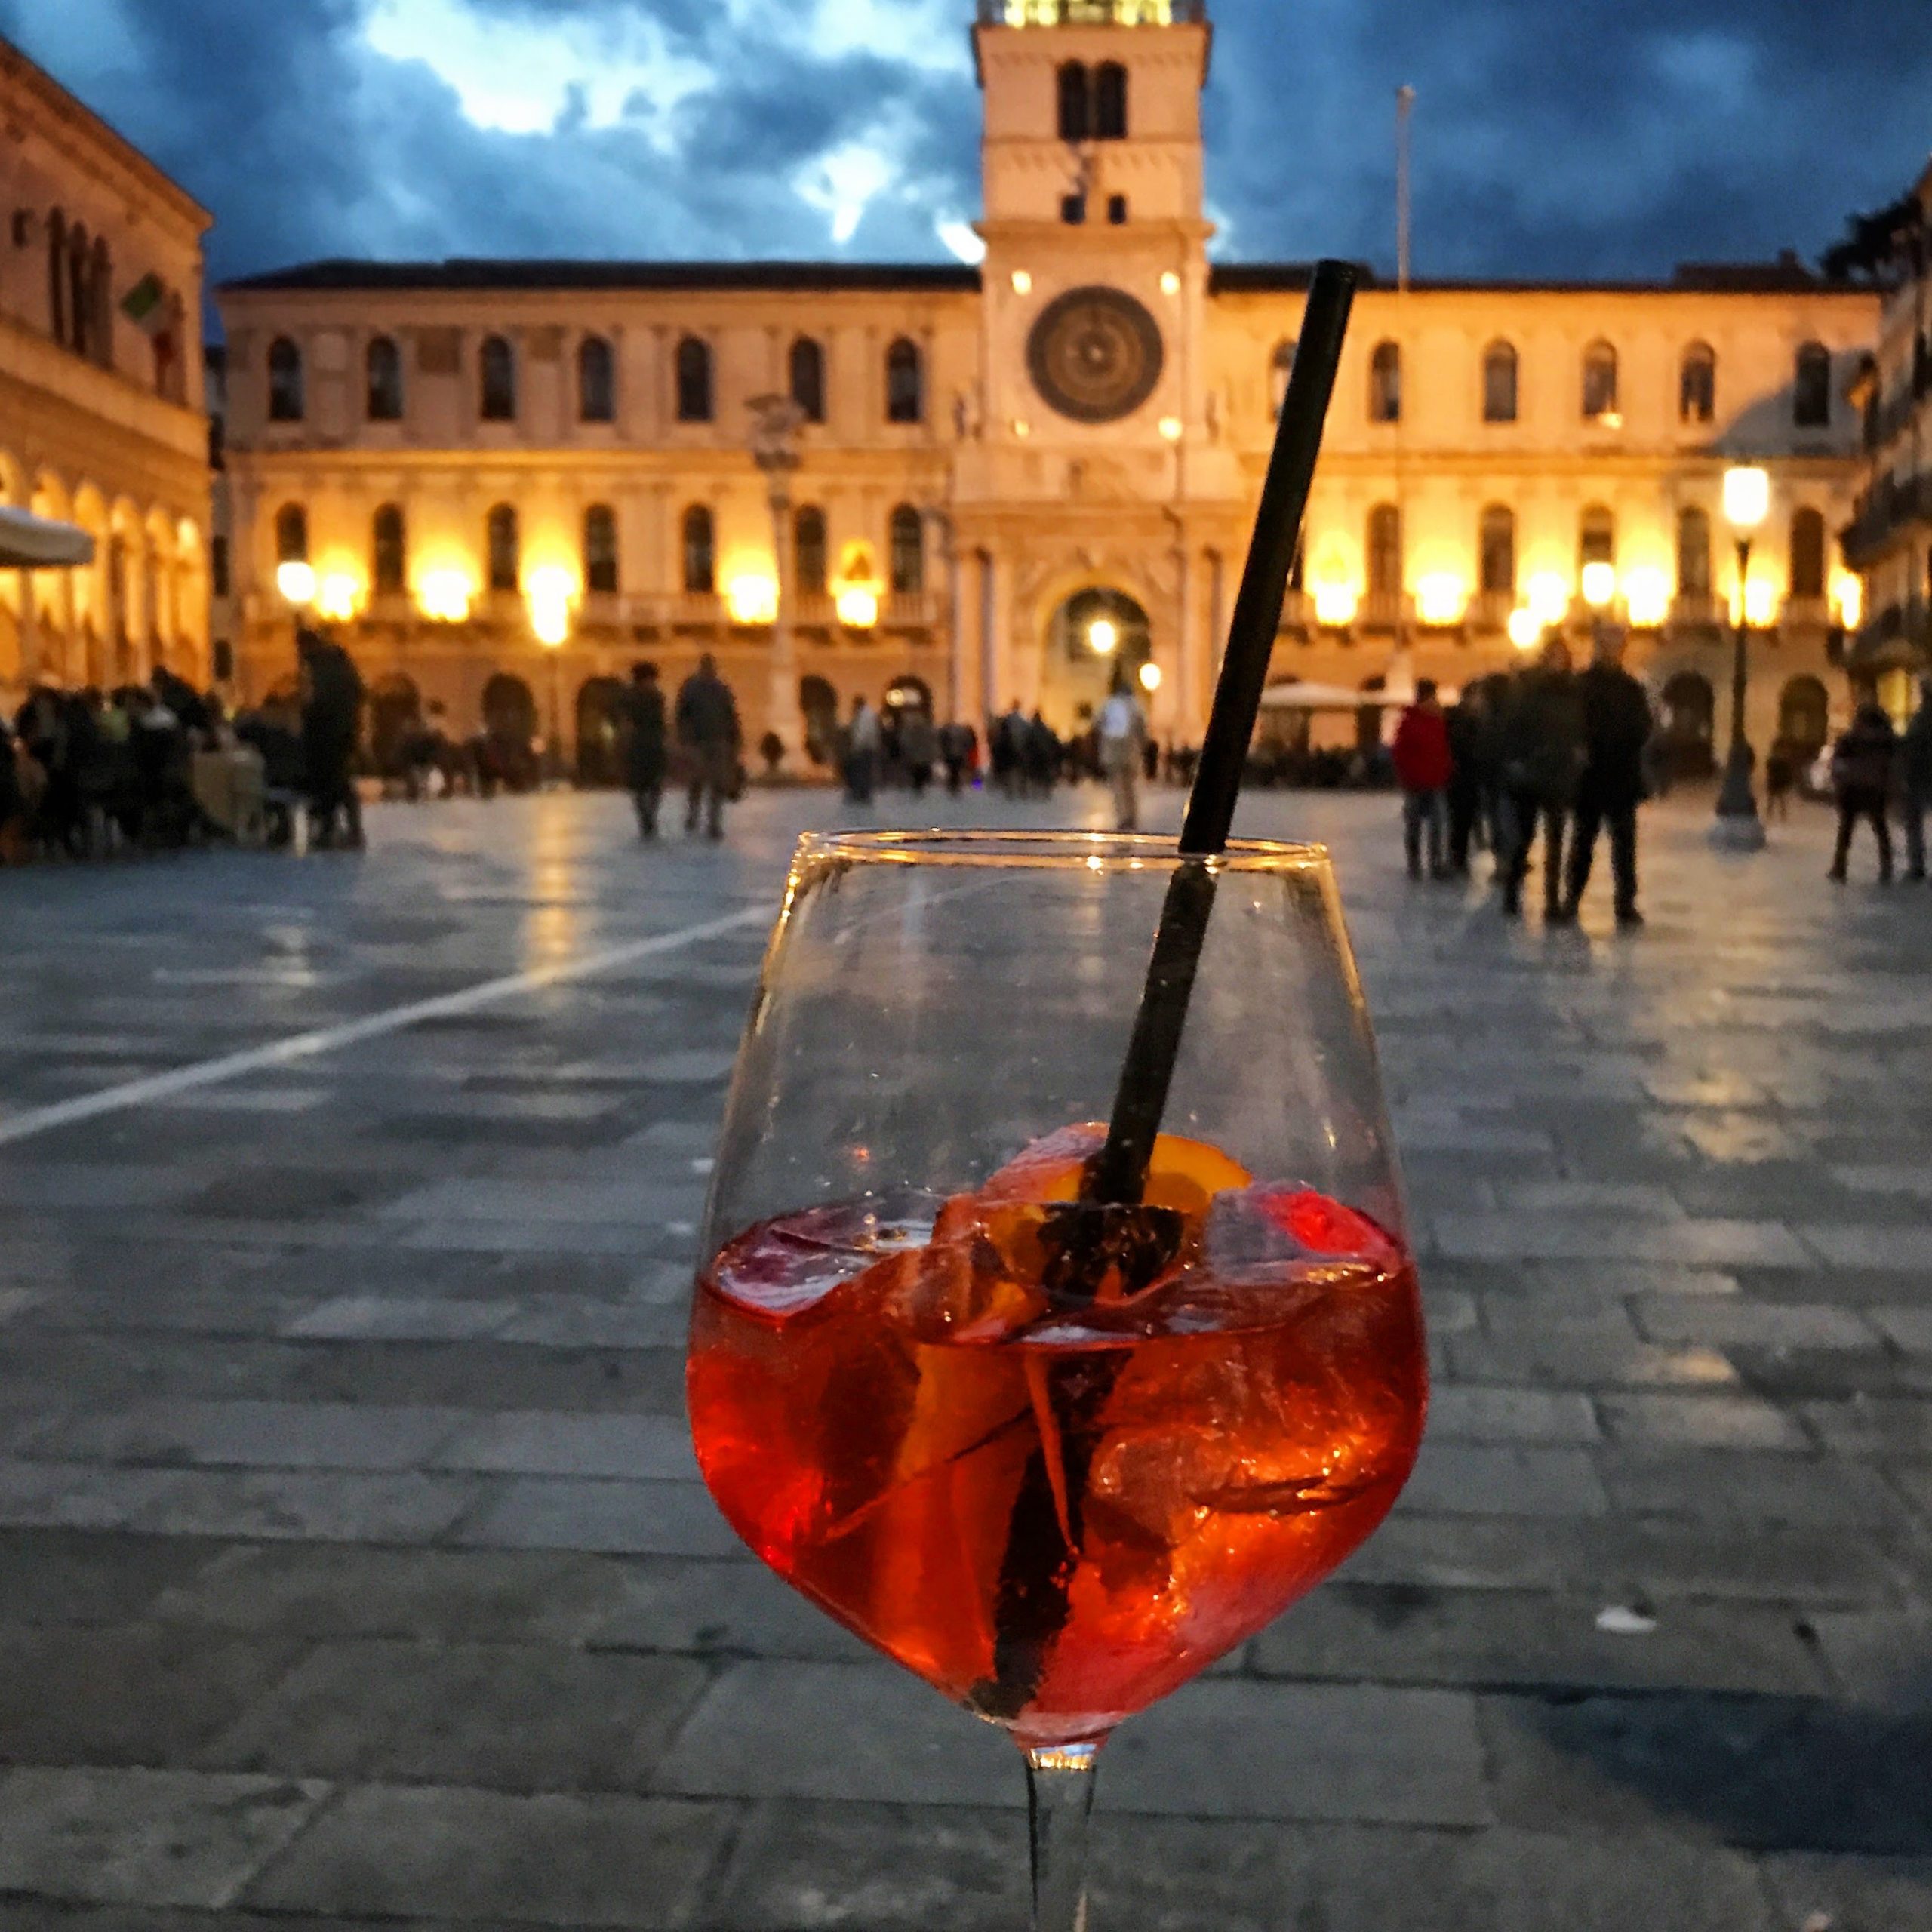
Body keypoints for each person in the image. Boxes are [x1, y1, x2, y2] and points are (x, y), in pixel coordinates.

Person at [1558, 623, 1654, 929]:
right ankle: (1572, 899)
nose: (1613, 649)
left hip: (1622, 776)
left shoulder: (1631, 688)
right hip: (1591, 776)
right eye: (1608, 644)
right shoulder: (1581, 685)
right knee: (1583, 842)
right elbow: (1571, 726)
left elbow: (1643, 728)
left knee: (1624, 848)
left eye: (1617, 644)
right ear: (1597, 646)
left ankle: (1625, 904)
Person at [1497, 636, 1583, 921]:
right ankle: (1512, 891)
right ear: (1545, 659)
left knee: (1557, 841)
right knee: (1524, 838)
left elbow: (1581, 728)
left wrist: (1579, 753)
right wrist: (1519, 760)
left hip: (1560, 774)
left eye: (1563, 657)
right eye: (1554, 656)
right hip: (1532, 774)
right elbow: (1513, 728)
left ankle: (1552, 901)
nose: (1559, 662)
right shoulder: (1529, 691)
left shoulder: (1574, 693)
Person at [298, 626, 366, 850]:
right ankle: (350, 830)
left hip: (328, 733)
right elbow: (359, 693)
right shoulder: (339, 664)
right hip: (343, 731)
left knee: (330, 782)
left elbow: (319, 702)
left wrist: (309, 717)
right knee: (340, 782)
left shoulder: (321, 666)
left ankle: (331, 830)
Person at [1829, 694, 1898, 884]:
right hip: (1876, 789)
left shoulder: (1851, 738)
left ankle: (1840, 868)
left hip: (1852, 789)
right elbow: (1894, 765)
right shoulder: (1887, 739)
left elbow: (1838, 763)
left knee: (1846, 831)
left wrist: (1839, 782)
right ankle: (1886, 869)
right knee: (1881, 829)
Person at [1391, 679, 1454, 881]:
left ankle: (1436, 863)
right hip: (1415, 782)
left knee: (1437, 825)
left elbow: (1444, 749)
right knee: (1414, 825)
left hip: (1436, 781)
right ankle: (1415, 863)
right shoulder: (1409, 721)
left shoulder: (1439, 720)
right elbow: (1400, 751)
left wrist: (1446, 770)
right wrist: (1408, 775)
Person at [675, 652, 740, 840]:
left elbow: (731, 715)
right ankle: (694, 815)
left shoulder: (720, 689)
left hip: (717, 741)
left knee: (717, 784)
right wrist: (683, 737)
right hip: (699, 741)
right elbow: (682, 714)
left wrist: (734, 740)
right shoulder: (693, 688)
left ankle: (713, 822)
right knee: (698, 781)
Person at [1443, 685, 1488, 876]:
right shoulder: (1461, 719)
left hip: (1469, 777)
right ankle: (1457, 860)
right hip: (1460, 777)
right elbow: (1463, 746)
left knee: (1465, 822)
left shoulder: (1469, 718)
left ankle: (1459, 859)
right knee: (1460, 822)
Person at [1097, 672, 1150, 832]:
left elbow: (1098, 723)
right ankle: (1132, 816)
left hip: (1112, 751)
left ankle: (1123, 817)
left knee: (1117, 787)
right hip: (1131, 751)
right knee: (1131, 786)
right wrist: (1143, 745)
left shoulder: (1108, 704)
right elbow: (1143, 729)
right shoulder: (1136, 706)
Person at [621, 661, 668, 840]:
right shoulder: (653, 696)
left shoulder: (631, 696)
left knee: (647, 785)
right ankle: (647, 818)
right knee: (646, 786)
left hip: (645, 744)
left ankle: (648, 818)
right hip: (646, 744)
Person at [1902, 677, 1932, 881]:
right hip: (1921, 775)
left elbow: (1910, 747)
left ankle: (1917, 866)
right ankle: (1917, 866)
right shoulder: (1920, 718)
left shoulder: (1921, 719)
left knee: (1913, 822)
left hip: (1920, 776)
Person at [844, 694, 882, 804]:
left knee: (862, 772)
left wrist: (856, 746)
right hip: (867, 748)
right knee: (864, 772)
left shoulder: (865, 716)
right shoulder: (866, 714)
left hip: (864, 749)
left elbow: (862, 733)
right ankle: (862, 793)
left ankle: (862, 794)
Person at [900, 706, 937, 796]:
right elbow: (932, 739)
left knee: (916, 770)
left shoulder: (910, 727)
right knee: (921, 770)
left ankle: (917, 786)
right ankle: (919, 786)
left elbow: (905, 740)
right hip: (921, 754)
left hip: (916, 754)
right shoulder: (926, 728)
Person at [1764, 734, 1799, 823]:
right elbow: (1788, 768)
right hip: (1779, 779)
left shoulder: (1774, 755)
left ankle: (1770, 816)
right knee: (1781, 799)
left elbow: (1769, 766)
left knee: (1772, 799)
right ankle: (1782, 816)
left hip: (1773, 778)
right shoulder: (1784, 755)